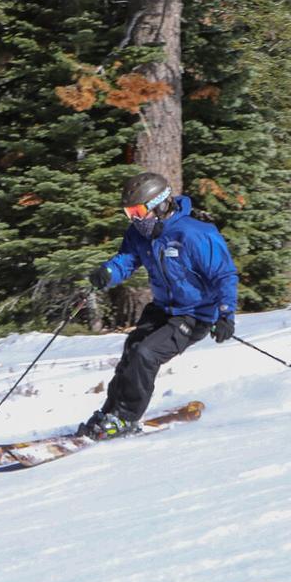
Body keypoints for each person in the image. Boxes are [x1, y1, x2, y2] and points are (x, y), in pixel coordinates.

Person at [77, 171, 238, 439]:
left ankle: (126, 418)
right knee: (132, 349)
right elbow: (125, 261)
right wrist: (106, 273)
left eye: (139, 212)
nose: (135, 220)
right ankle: (110, 412)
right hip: (163, 309)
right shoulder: (140, 233)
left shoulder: (195, 234)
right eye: (130, 214)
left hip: (194, 315)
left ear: (162, 204)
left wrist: (225, 315)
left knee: (146, 354)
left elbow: (224, 275)